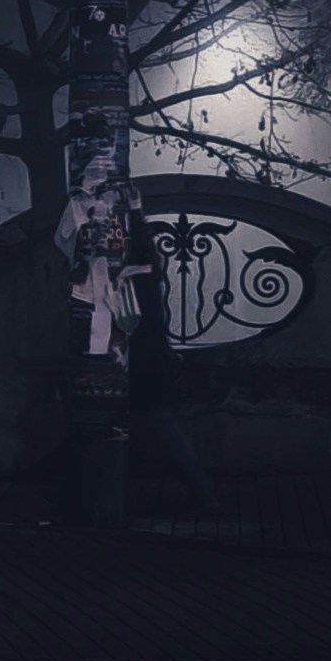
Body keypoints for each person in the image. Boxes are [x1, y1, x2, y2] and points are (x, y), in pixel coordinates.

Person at [125, 211, 220, 514]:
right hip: (151, 355)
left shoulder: (131, 273)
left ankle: (204, 496)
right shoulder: (147, 269)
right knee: (158, 426)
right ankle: (201, 495)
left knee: (160, 426)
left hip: (141, 358)